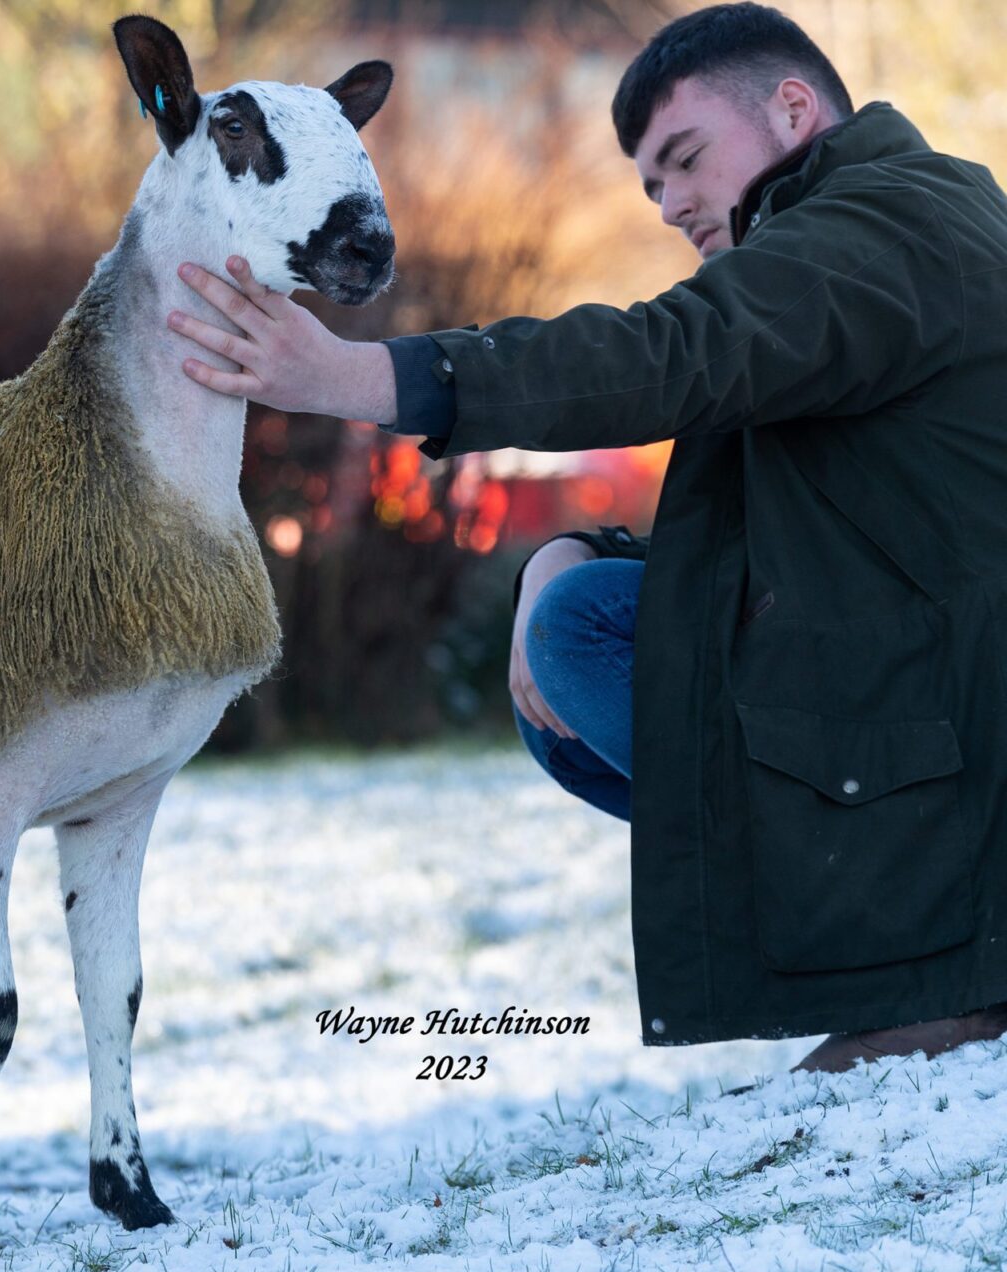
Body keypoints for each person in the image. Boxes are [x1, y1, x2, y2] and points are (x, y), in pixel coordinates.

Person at [166, 2, 1007, 1073]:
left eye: (684, 159)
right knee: (580, 616)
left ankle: (943, 968)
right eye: (650, 185)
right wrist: (569, 551)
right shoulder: (875, 232)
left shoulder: (882, 224)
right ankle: (917, 951)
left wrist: (357, 376)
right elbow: (781, 551)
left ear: (794, 109)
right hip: (920, 674)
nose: (670, 204)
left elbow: (666, 354)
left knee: (584, 632)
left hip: (955, 716)